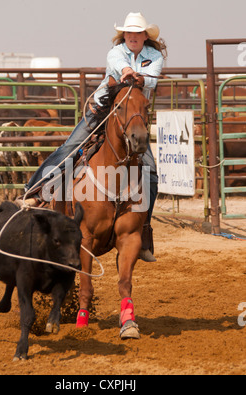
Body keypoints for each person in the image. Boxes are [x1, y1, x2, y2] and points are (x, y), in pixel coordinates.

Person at [23, 12, 167, 262]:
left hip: (133, 116)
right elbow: (117, 66)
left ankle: (144, 231)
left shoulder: (154, 57)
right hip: (103, 110)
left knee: (151, 174)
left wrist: (138, 77)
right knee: (70, 148)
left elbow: (151, 81)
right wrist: (128, 72)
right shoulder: (117, 52)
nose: (133, 36)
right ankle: (34, 190)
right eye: (129, 33)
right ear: (125, 36)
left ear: (145, 36)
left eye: (137, 32)